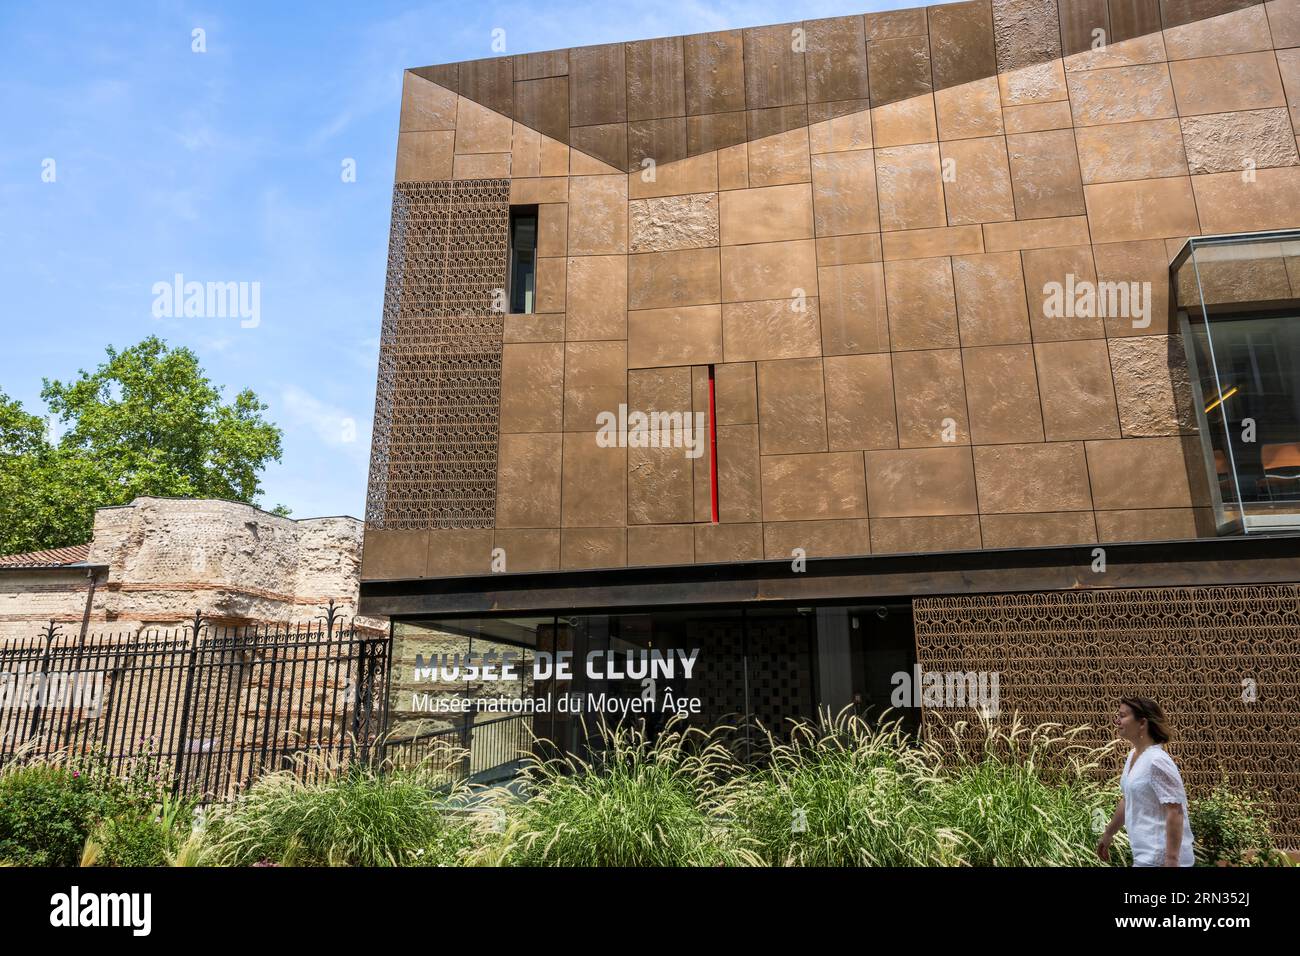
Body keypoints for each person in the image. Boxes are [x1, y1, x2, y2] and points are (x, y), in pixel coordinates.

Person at [1096, 697, 1196, 867]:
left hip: (1161, 858)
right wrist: (1108, 833)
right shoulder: (1133, 756)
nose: (1117, 721)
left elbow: (1175, 810)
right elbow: (1128, 799)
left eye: (1122, 716)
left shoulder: (1156, 761)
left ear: (1142, 723)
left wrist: (1172, 860)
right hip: (1146, 855)